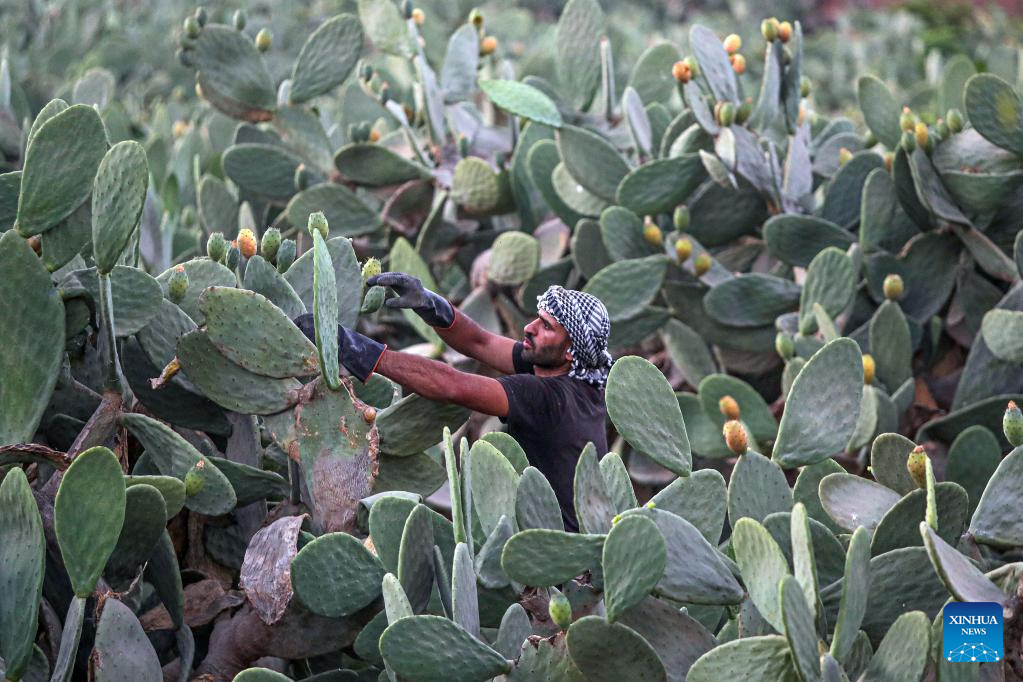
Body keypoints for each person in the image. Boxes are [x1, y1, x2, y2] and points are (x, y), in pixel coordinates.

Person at [293, 272, 612, 532]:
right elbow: (481, 341)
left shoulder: (549, 398)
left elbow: (452, 386)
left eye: (546, 327)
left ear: (571, 350)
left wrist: (355, 349)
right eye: (537, 318)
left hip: (560, 549)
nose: (529, 328)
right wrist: (433, 306)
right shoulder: (574, 374)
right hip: (558, 532)